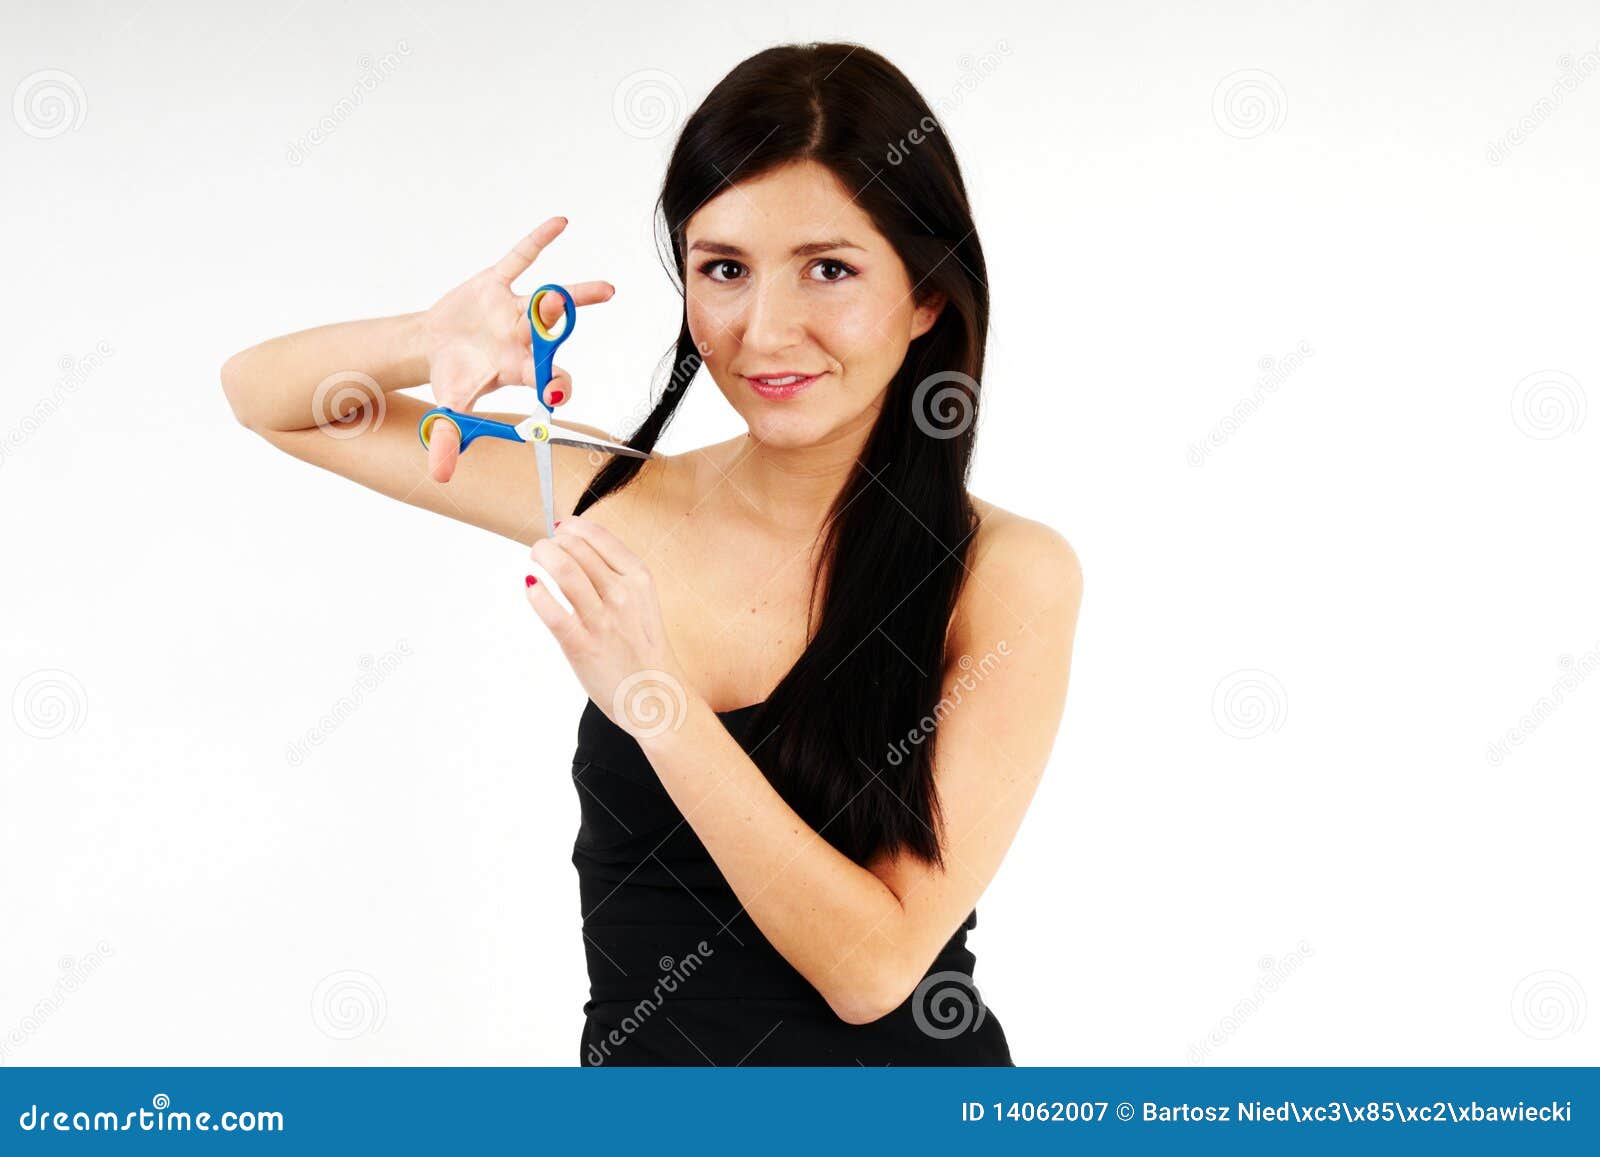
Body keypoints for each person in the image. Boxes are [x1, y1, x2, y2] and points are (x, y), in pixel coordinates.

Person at [221, 41, 1083, 1066]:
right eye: (723, 269)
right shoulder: (611, 500)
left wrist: (655, 698)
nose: (765, 329)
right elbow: (270, 399)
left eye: (829, 269)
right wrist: (427, 334)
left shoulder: (1008, 573)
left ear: (927, 295)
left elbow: (874, 970)